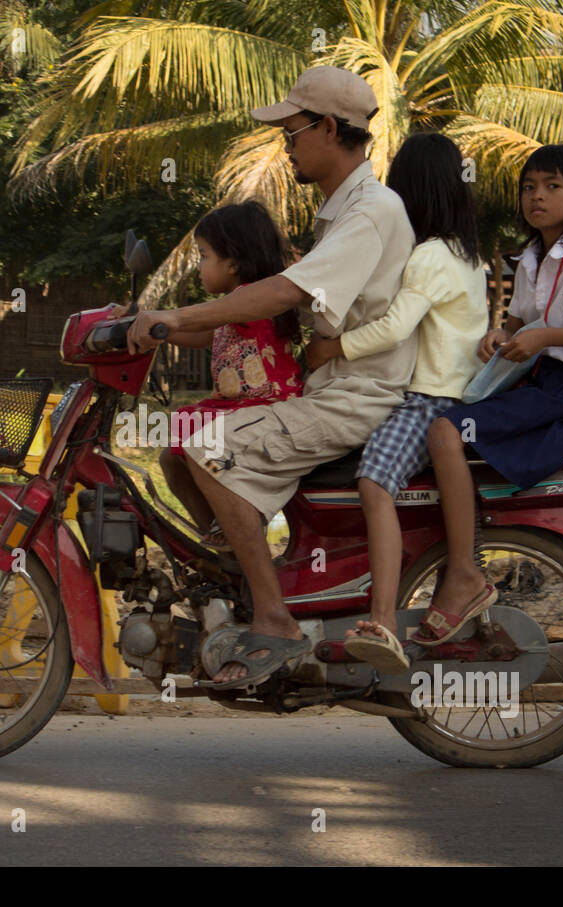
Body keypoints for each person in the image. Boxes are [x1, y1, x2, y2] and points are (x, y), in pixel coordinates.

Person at [129, 65, 418, 689]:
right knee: (182, 439)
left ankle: (274, 618)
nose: (286, 145)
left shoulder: (369, 212)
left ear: (330, 129)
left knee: (210, 444)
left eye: (293, 132)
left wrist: (174, 315)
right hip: (329, 387)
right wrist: (161, 326)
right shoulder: (337, 214)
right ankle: (239, 566)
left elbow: (281, 293)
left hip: (353, 396)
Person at [418, 143, 563, 645]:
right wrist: (499, 336)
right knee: (433, 423)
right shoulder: (535, 257)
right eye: (529, 187)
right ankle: (459, 560)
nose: (537, 196)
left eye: (552, 186)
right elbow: (516, 324)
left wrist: (546, 336)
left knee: (445, 430)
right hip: (535, 384)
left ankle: (464, 574)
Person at [303, 132, 486, 673]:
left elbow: (392, 328)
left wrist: (329, 347)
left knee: (374, 480)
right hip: (453, 397)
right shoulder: (467, 256)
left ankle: (382, 618)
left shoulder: (429, 255)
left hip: (427, 400)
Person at [159, 201, 303, 548]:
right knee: (172, 452)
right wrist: (153, 329)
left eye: (204, 256)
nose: (199, 266)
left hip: (262, 406)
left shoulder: (247, 300)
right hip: (239, 406)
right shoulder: (234, 306)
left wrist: (160, 317)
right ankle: (220, 531)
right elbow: (199, 335)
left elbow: (200, 321)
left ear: (234, 262)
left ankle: (229, 531)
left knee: (187, 446)